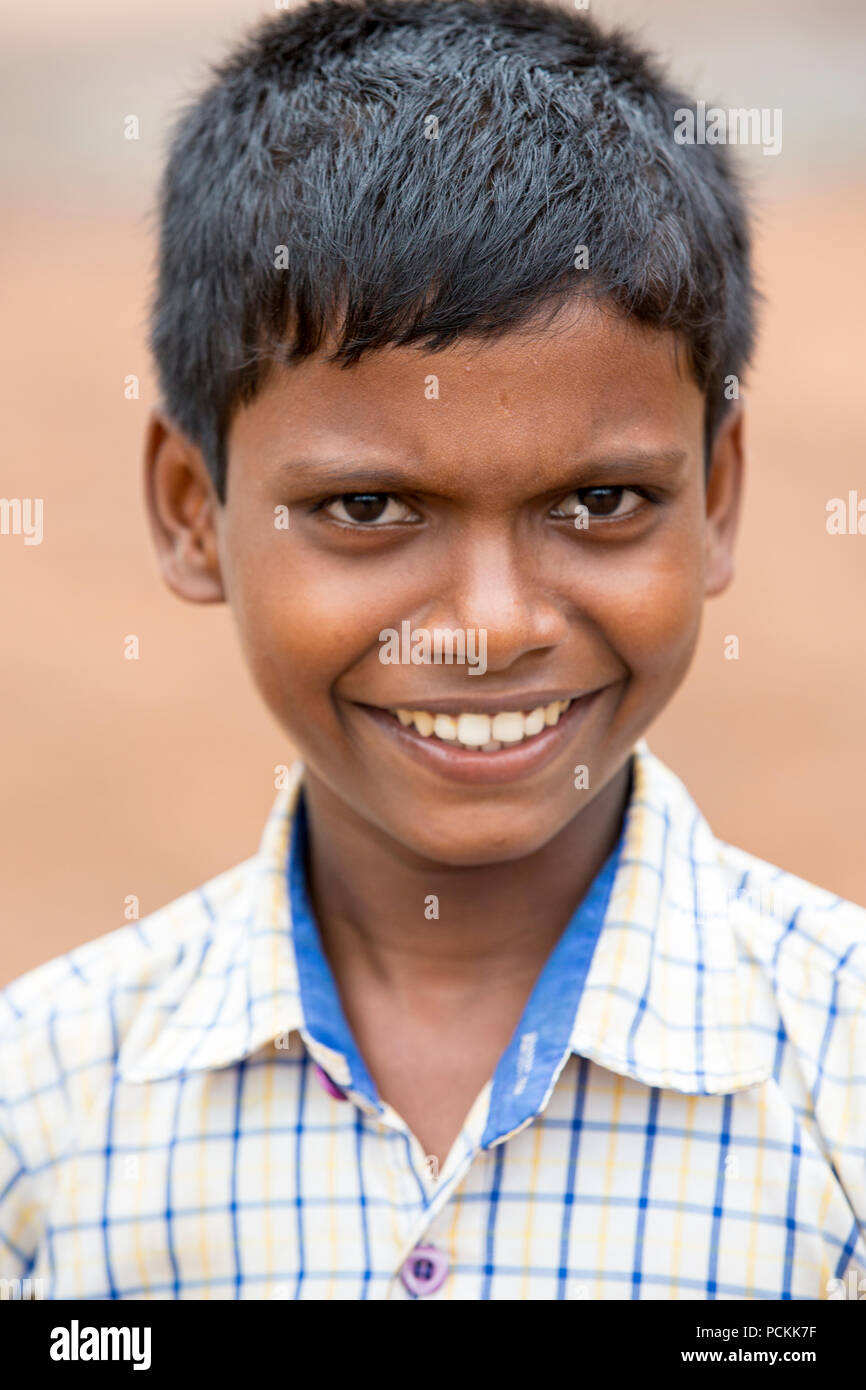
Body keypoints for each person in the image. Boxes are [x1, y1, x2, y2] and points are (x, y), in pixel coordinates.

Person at [2, 0, 864, 1301]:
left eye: (598, 502)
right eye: (365, 510)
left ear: (717, 498)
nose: (492, 624)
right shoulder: (44, 1124)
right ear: (191, 511)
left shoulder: (839, 1088)